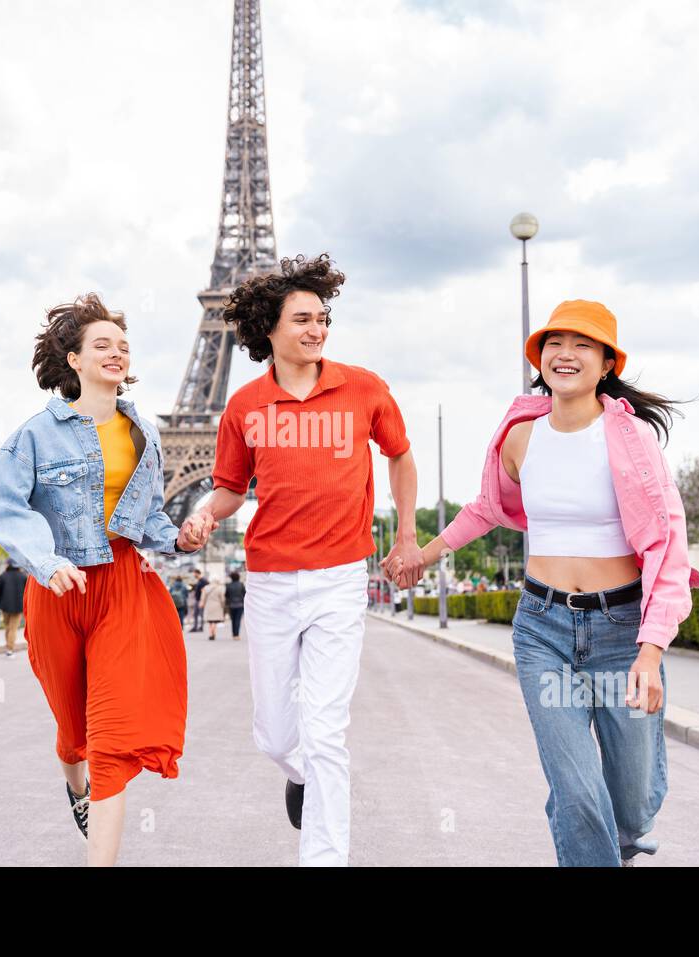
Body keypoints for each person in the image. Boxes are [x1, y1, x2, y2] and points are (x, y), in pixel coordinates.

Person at [390, 299, 699, 867]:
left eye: (583, 344)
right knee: (577, 790)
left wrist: (651, 652)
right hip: (544, 630)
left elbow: (668, 546)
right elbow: (485, 508)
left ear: (607, 363)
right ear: (541, 359)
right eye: (555, 343)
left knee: (631, 804)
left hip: (622, 630)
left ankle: (619, 841)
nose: (567, 353)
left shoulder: (632, 443)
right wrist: (424, 554)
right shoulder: (520, 436)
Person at [186, 253, 422, 866]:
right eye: (302, 319)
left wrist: (405, 536)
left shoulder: (364, 387)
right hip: (268, 580)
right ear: (270, 327)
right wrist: (205, 514)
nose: (316, 329)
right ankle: (299, 773)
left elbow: (400, 456)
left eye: (323, 318)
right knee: (275, 734)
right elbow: (233, 488)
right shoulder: (243, 407)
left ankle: (324, 858)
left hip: (340, 578)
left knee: (325, 733)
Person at [0, 293, 211, 867]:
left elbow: (147, 517)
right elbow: (7, 508)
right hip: (58, 589)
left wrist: (178, 537)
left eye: (124, 346)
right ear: (75, 360)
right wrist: (47, 561)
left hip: (122, 589)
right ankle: (75, 781)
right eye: (102, 345)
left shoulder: (146, 435)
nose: (117, 353)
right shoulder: (35, 435)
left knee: (110, 739)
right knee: (72, 728)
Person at [0, 559, 29, 657]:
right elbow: (28, 592)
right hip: (18, 606)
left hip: (5, 606)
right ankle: (10, 649)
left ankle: (8, 646)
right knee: (13, 628)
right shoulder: (23, 577)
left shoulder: (3, 576)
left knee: (7, 627)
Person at [225, 571, 246, 639]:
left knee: (233, 620)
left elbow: (226, 595)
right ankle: (237, 635)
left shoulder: (228, 585)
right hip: (240, 604)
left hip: (231, 605)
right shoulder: (241, 584)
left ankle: (234, 634)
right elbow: (244, 594)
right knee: (237, 620)